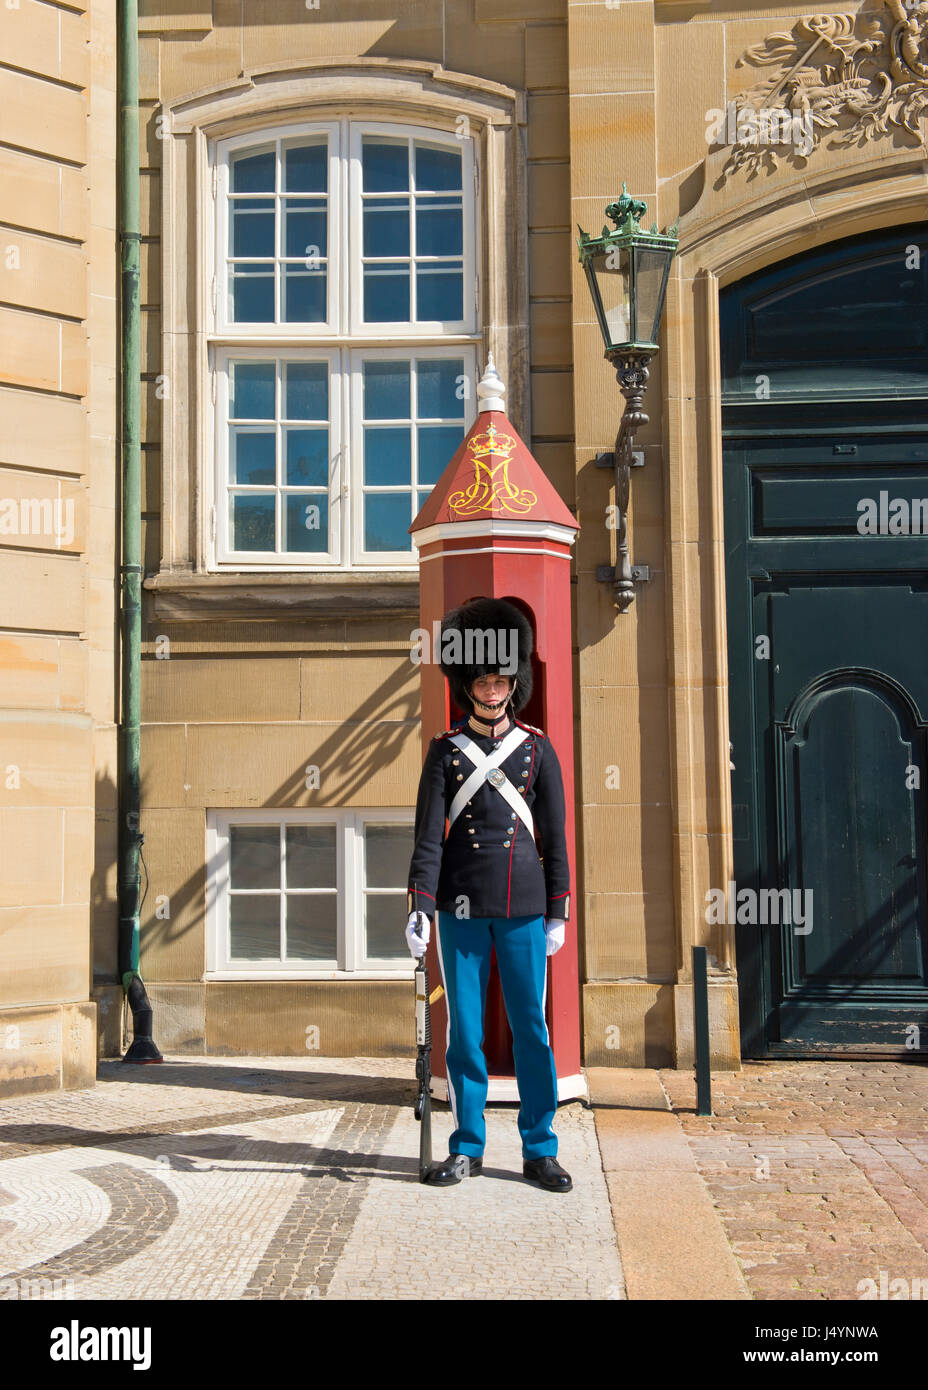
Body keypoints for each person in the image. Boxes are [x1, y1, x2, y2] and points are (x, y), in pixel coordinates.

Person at [404, 596, 573, 1191]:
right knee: (465, 1033)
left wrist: (559, 909)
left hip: (525, 907)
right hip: (462, 908)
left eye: (501, 677)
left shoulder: (536, 748)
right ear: (467, 683)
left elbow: (554, 835)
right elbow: (428, 836)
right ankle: (467, 1144)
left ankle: (539, 1147)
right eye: (483, 677)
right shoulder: (445, 752)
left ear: (513, 680)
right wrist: (420, 905)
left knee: (531, 1028)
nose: (493, 686)